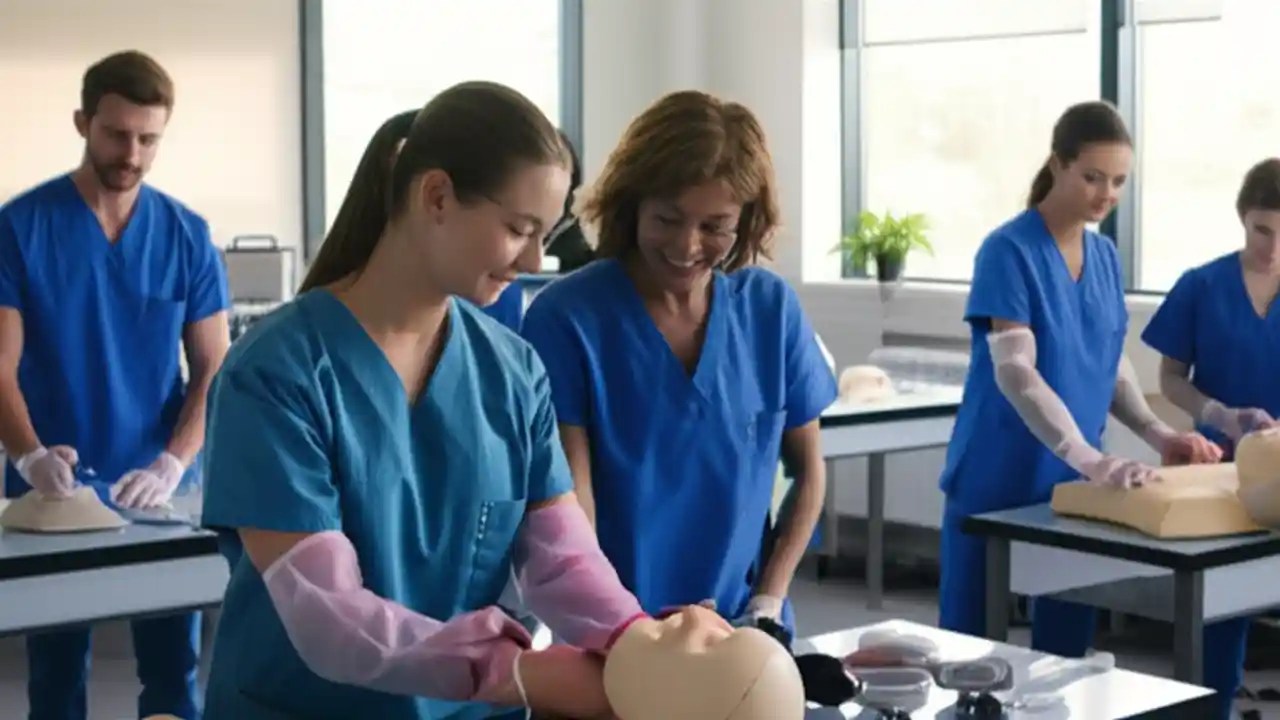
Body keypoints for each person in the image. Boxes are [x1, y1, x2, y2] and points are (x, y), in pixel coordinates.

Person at [199, 81, 652, 720]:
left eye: (545, 234)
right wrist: (517, 673)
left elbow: (562, 559)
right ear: (436, 195)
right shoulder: (277, 373)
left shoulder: (512, 369)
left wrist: (637, 640)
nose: (534, 257)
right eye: (518, 229)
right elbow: (329, 622)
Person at [519, 90, 836, 640]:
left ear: (747, 221)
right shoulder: (568, 319)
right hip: (617, 634)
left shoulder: (768, 309)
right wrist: (619, 630)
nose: (687, 246)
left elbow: (808, 471)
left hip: (745, 632)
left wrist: (769, 599)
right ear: (633, 202)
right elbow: (571, 506)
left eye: (715, 226)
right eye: (667, 218)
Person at [936, 100, 1221, 657]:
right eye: (1092, 177)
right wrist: (1087, 455)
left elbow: (1108, 364)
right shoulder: (1008, 250)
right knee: (970, 653)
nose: (1106, 194)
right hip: (999, 477)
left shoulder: (1106, 256)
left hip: (1074, 489)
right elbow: (1017, 373)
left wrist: (1160, 436)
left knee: (1061, 661)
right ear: (1058, 165)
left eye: (1118, 181)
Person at [0, 51, 229, 720]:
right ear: (83, 122)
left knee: (173, 675)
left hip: (155, 493)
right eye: (117, 133)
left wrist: (173, 460)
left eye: (148, 138)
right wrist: (29, 456)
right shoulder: (20, 228)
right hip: (54, 494)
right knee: (56, 677)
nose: (132, 152)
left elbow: (213, 367)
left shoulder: (186, 235)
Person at [1139, 157, 1280, 718]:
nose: (1271, 247)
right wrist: (1218, 413)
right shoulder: (1202, 285)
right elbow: (1170, 378)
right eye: (1262, 230)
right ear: (1242, 219)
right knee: (1220, 614)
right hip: (1217, 468)